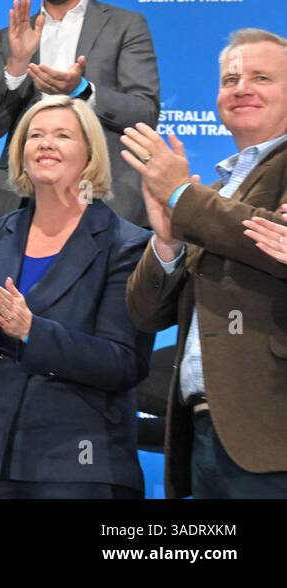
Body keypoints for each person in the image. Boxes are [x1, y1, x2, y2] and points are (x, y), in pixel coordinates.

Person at [0, 95, 153, 498]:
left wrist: (32, 331)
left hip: (76, 466)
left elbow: (122, 363)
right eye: (35, 135)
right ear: (20, 151)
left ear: (90, 154)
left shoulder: (127, 244)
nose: (46, 143)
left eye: (62, 135)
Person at [124, 28, 287, 498]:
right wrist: (166, 240)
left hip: (271, 435)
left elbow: (266, 237)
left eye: (260, 77)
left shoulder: (199, 200)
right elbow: (146, 314)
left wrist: (179, 194)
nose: (241, 88)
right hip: (201, 433)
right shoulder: (210, 197)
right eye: (231, 79)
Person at [0, 0, 160, 226]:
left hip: (106, 199)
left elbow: (144, 113)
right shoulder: (8, 38)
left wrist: (81, 90)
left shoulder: (126, 26)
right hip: (22, 202)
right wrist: (17, 66)